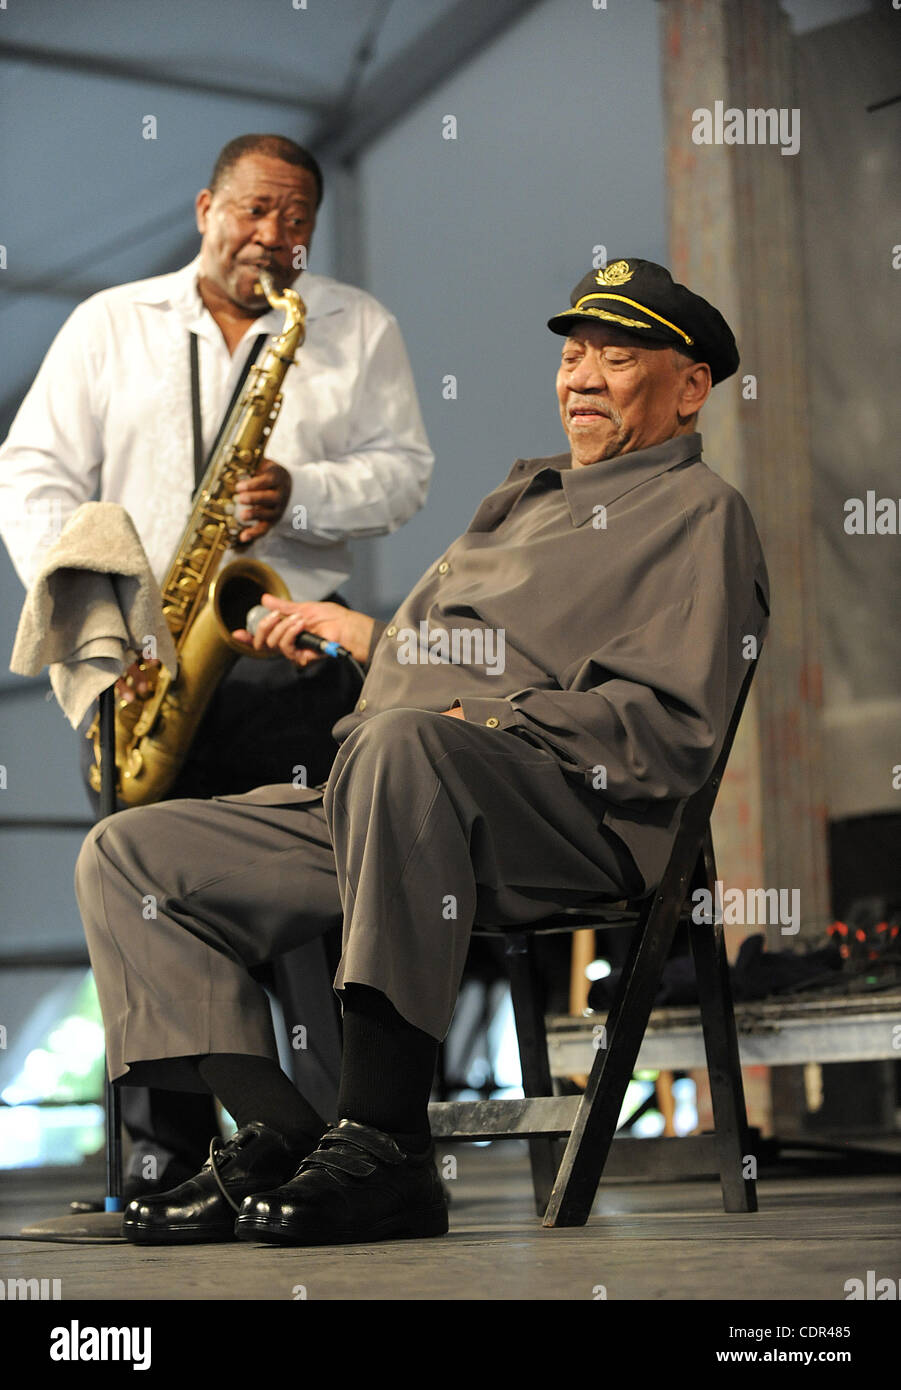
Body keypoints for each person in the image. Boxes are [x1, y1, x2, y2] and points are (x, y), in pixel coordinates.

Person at [74, 257, 770, 1247]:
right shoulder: (518, 498)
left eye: (615, 358)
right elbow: (410, 664)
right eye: (572, 355)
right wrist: (356, 647)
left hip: (570, 817)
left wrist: (471, 725)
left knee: (404, 750)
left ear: (690, 386)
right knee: (133, 854)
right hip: (389, 794)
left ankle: (388, 1145)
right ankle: (283, 1135)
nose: (579, 376)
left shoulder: (705, 518)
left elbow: (671, 735)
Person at [0, 133, 433, 1195]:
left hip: (295, 653)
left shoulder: (352, 325)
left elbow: (407, 474)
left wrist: (306, 493)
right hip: (150, 669)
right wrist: (104, 622)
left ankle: (336, 1144)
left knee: (316, 907)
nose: (273, 239)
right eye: (253, 212)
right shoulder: (109, 325)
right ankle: (162, 1158)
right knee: (140, 903)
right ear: (205, 207)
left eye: (295, 220)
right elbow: (32, 473)